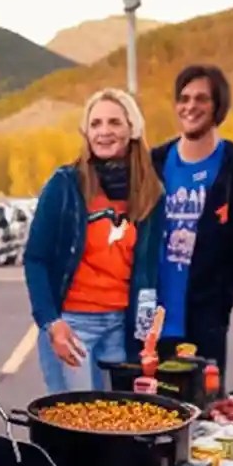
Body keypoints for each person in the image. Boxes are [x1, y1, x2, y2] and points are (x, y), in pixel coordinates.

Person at [24, 88, 165, 394]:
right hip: (73, 325)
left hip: (121, 327)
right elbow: (35, 258)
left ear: (132, 129)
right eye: (96, 123)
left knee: (118, 427)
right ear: (86, 133)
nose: (104, 131)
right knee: (77, 429)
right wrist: (51, 322)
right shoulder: (65, 185)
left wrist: (146, 335)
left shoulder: (151, 192)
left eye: (114, 122)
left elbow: (150, 270)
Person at [150, 65, 233, 386]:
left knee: (204, 417)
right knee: (147, 418)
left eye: (202, 98)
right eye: (184, 98)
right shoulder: (154, 163)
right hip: (150, 325)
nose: (191, 106)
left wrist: (219, 299)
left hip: (204, 325)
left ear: (218, 106)